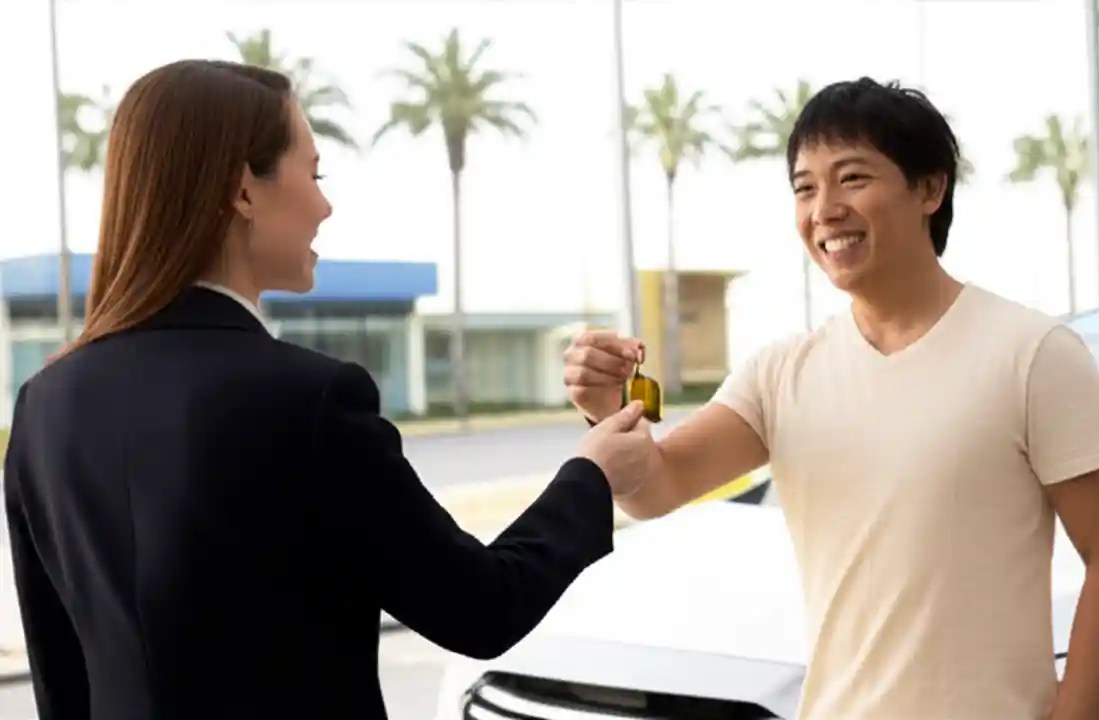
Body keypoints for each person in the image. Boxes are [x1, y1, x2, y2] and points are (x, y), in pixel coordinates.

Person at [2, 59, 654, 719]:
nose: (325, 204)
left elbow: (57, 679)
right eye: (312, 174)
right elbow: (481, 607)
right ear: (243, 191)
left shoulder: (45, 403)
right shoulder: (308, 400)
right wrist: (591, 474)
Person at [564, 78, 1099, 720]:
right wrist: (604, 407)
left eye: (852, 178)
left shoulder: (1034, 353)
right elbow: (655, 488)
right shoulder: (782, 372)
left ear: (930, 189)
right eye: (805, 187)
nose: (825, 208)